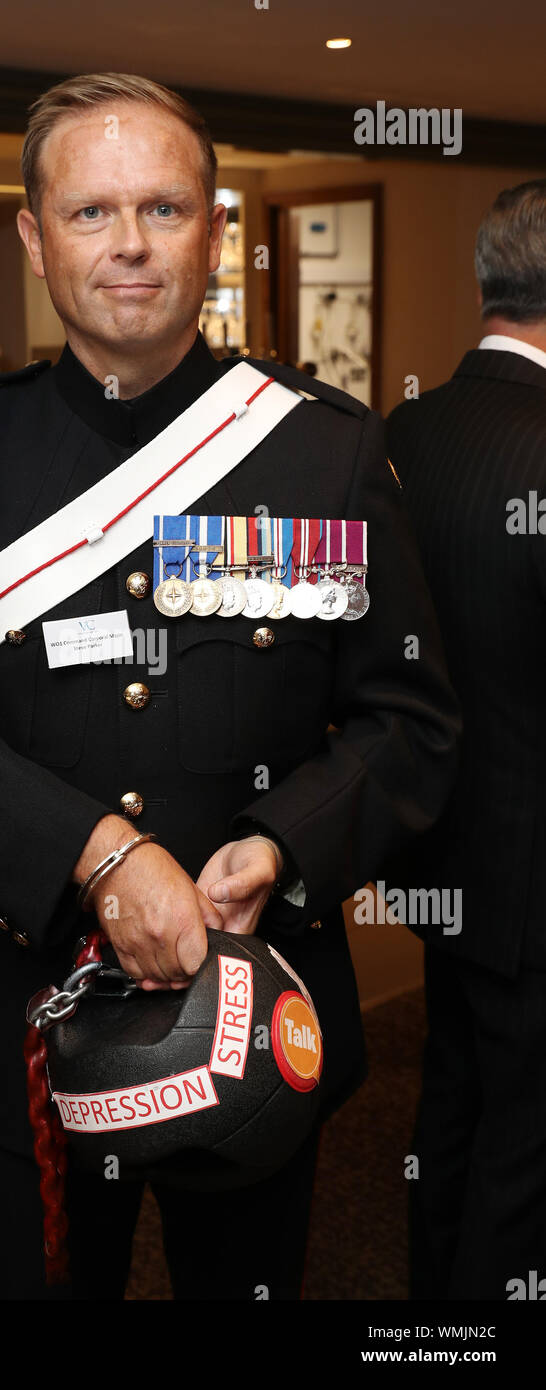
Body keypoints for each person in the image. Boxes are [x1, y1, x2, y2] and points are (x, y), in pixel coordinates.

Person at [0, 71, 459, 1301]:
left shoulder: (321, 449)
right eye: (89, 212)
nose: (129, 244)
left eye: (164, 209)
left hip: (258, 984)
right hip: (31, 998)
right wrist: (102, 858)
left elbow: (410, 719)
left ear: (214, 229)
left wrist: (283, 844)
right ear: (30, 237)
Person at [387, 179, 546, 1301]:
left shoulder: (405, 427)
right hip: (537, 872)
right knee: (526, 1150)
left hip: (441, 848)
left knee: (452, 1092)